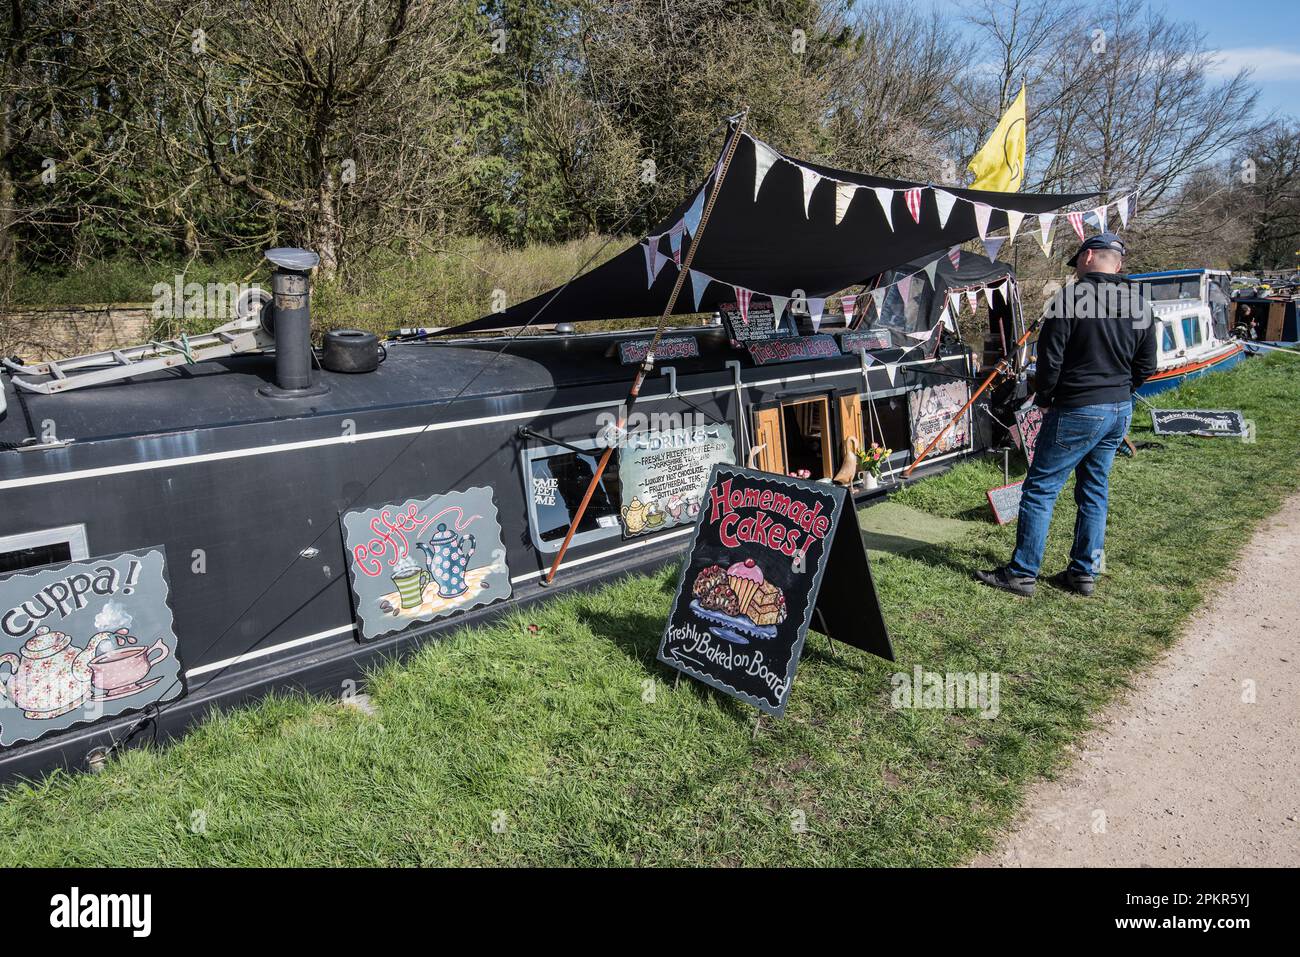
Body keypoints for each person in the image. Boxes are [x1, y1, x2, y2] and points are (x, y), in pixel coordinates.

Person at [976, 233, 1156, 597]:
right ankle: (1082, 573)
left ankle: (1023, 573)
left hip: (1076, 406)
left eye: (1077, 263)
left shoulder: (1070, 298)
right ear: (1117, 265)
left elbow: (1050, 360)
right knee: (1094, 491)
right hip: (1118, 408)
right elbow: (1148, 364)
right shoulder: (1139, 303)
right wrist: (1121, 391)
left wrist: (1044, 397)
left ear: (1088, 256)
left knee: (1041, 490)